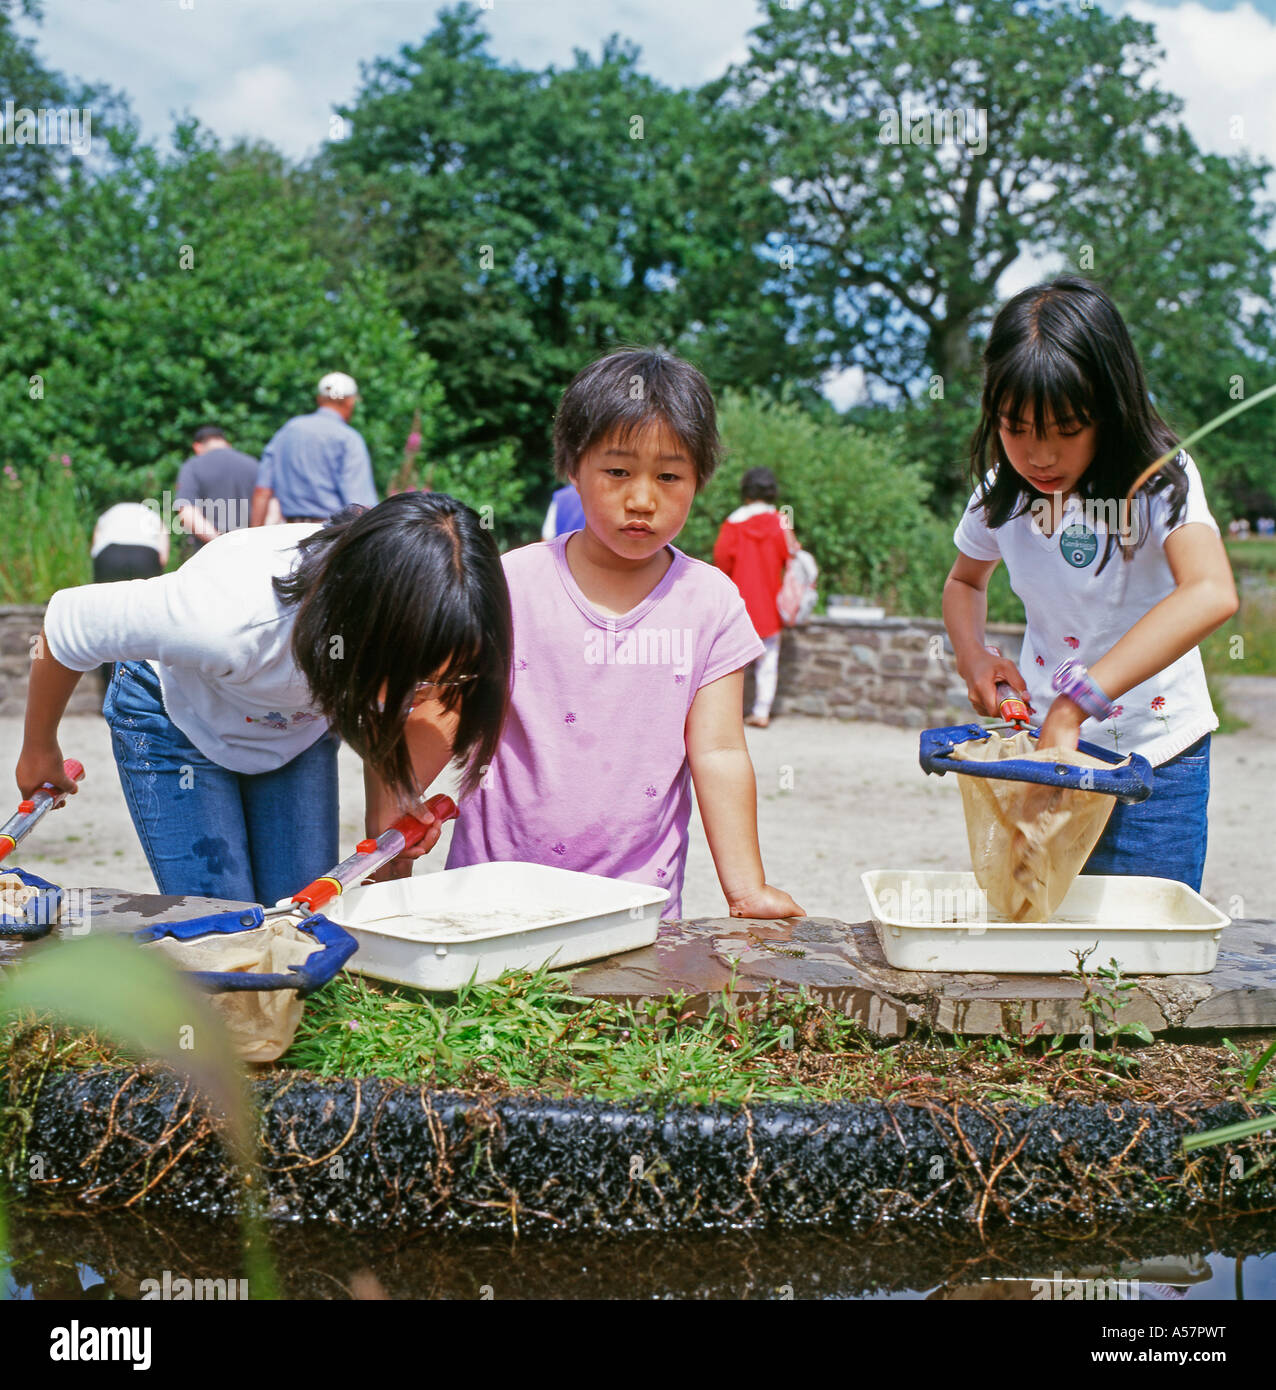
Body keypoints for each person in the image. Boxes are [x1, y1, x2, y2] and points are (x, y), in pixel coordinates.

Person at [445, 348, 805, 922]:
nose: (642, 499)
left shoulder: (710, 602)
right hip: (491, 898)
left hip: (634, 911)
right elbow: (441, 711)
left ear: (699, 479)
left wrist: (747, 890)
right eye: (617, 472)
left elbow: (718, 751)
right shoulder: (510, 583)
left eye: (669, 476)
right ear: (573, 467)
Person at [17, 493, 512, 906]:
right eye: (412, 678)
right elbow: (66, 624)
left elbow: (386, 711)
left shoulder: (421, 624)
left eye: (438, 679)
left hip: (292, 726)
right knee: (222, 924)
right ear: (360, 622)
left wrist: (389, 836)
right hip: (176, 720)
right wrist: (39, 749)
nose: (424, 696)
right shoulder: (227, 617)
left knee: (299, 917)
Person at [943, 276, 1238, 891]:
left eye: (1066, 429)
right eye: (1016, 428)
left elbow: (1210, 592)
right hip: (1045, 751)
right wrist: (973, 656)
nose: (1040, 455)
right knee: (1038, 920)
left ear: (1109, 408)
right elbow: (965, 583)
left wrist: (1076, 702)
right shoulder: (1002, 494)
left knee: (1142, 937)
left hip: (1154, 760)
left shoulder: (1159, 480)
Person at [713, 467, 792, 728]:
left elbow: (721, 560)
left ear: (746, 492)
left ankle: (727, 713)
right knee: (768, 660)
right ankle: (762, 711)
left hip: (738, 603)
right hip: (770, 601)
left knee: (731, 662)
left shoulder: (733, 522)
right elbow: (791, 555)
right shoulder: (782, 521)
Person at [251, 372, 377, 526]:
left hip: (288, 528)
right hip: (330, 531)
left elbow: (262, 491)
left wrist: (253, 531)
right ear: (350, 402)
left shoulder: (288, 429)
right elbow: (360, 505)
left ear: (319, 399)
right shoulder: (349, 438)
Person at [89, 502, 171, 693]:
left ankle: (108, 690)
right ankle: (146, 689)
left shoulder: (107, 514)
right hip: (145, 554)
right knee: (146, 624)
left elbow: (94, 547)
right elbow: (163, 557)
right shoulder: (153, 516)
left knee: (107, 622)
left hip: (109, 555)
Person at [174, 425, 259, 554]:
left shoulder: (192, 467)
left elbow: (188, 513)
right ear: (227, 443)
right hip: (252, 550)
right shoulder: (253, 464)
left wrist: (219, 542)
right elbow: (272, 507)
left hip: (211, 555)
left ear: (197, 447)